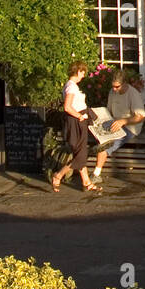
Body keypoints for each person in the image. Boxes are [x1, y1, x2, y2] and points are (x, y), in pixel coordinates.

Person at [51, 60, 100, 193]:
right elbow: (67, 107)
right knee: (80, 154)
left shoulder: (71, 85)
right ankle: (58, 175)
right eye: (83, 72)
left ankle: (86, 182)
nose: (83, 75)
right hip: (76, 121)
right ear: (78, 71)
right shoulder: (71, 86)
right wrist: (79, 116)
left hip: (77, 121)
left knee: (80, 152)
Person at [93, 69, 145, 182]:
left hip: (130, 126)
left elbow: (141, 117)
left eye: (117, 87)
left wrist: (123, 121)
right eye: (113, 86)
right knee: (96, 132)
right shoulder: (112, 92)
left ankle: (96, 174)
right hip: (114, 122)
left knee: (106, 143)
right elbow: (109, 111)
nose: (114, 89)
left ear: (125, 84)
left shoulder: (133, 94)